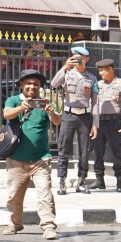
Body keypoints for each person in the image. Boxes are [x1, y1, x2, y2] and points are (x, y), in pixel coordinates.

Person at [0, 71, 62, 239]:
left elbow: (57, 121)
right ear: (21, 85)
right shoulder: (13, 100)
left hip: (41, 159)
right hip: (16, 160)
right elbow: (6, 114)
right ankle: (15, 223)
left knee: (45, 194)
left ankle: (48, 226)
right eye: (28, 83)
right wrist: (21, 107)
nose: (32, 87)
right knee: (14, 197)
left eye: (35, 84)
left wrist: (51, 112)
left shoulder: (44, 103)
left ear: (39, 87)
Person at [50, 46, 96, 195]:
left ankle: (81, 182)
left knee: (84, 151)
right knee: (64, 149)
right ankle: (62, 181)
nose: (78, 60)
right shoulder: (68, 74)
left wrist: (95, 124)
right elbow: (53, 84)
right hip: (69, 115)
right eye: (75, 57)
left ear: (87, 59)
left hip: (85, 117)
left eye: (80, 57)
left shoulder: (92, 78)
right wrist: (65, 67)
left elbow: (95, 103)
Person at [89, 58, 121, 192]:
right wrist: (92, 123)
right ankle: (99, 180)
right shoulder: (98, 85)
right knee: (98, 152)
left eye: (102, 70)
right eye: (99, 71)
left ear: (110, 69)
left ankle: (119, 181)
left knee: (116, 152)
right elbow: (93, 104)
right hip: (99, 122)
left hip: (114, 122)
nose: (100, 73)